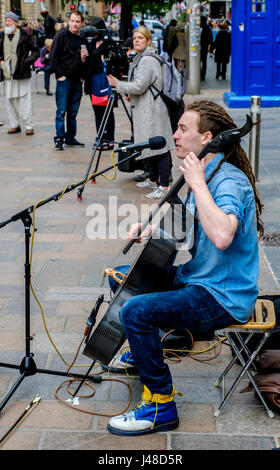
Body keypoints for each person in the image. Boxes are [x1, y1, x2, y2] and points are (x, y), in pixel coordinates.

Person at [103, 100, 263, 436]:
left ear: (206, 138)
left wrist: (198, 183)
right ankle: (143, 355)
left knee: (135, 312)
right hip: (200, 278)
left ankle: (161, 406)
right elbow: (182, 228)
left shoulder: (226, 181)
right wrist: (151, 232)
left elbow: (221, 235)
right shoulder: (202, 174)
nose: (174, 135)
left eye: (182, 129)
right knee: (125, 277)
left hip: (223, 296)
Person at [107, 26, 175, 199]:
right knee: (150, 144)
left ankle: (164, 185)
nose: (136, 40)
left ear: (148, 41)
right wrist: (131, 94)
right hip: (146, 107)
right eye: (135, 37)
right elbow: (140, 85)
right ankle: (153, 178)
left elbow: (139, 85)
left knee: (160, 147)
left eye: (141, 38)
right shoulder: (141, 58)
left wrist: (118, 85)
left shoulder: (147, 60)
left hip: (152, 110)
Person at [49, 10, 88, 151]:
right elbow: (53, 56)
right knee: (61, 112)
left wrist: (83, 67)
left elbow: (84, 62)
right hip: (64, 80)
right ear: (68, 21)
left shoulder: (82, 40)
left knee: (73, 112)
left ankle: (70, 138)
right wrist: (59, 75)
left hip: (77, 81)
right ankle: (59, 139)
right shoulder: (61, 35)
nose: (75, 24)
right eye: (72, 21)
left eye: (77, 21)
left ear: (82, 23)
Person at [0, 12, 39, 135]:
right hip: (7, 72)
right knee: (9, 100)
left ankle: (29, 126)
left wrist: (26, 62)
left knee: (24, 99)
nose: (7, 23)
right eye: (6, 20)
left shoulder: (25, 35)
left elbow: (35, 51)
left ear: (16, 23)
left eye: (9, 21)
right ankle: (14, 125)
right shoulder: (1, 35)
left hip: (21, 72)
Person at [84, 17, 115, 151]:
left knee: (108, 110)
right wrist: (84, 57)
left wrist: (106, 59)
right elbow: (87, 63)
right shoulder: (90, 42)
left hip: (105, 81)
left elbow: (114, 60)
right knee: (97, 110)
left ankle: (109, 138)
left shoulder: (108, 42)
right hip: (93, 81)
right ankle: (100, 136)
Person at [200, 16, 213, 81]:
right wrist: (210, 47)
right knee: (204, 62)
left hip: (199, 47)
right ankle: (203, 75)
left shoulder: (198, 27)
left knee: (199, 62)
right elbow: (210, 39)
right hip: (204, 47)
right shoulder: (207, 28)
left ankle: (199, 74)